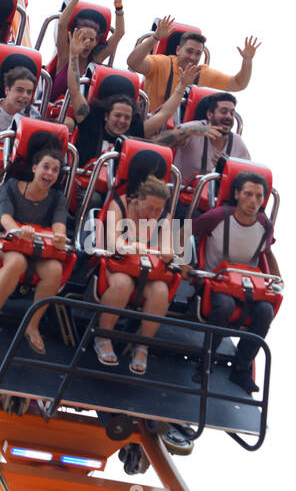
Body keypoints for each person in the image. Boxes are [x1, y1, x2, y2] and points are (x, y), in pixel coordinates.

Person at [0, 139, 69, 352]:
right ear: (34, 168)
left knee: (54, 269)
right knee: (17, 262)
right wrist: (18, 229)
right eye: (45, 167)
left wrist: (59, 236)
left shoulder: (57, 198)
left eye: (55, 170)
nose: (49, 173)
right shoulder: (11, 188)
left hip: (40, 248)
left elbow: (59, 225)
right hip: (10, 244)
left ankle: (32, 326)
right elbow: (5, 218)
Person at [191, 171, 281, 392]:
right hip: (216, 281)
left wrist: (277, 277)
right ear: (237, 194)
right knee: (225, 306)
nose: (254, 201)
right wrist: (185, 266)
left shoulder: (265, 225)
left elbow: (266, 253)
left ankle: (241, 368)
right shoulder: (218, 216)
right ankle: (206, 361)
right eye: (248, 194)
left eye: (259, 196)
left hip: (247, 283)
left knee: (265, 312)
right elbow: (182, 233)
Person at [65, 34, 198, 166]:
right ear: (106, 116)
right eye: (118, 115)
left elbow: (164, 114)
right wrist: (73, 55)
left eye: (127, 117)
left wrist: (182, 86)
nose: (122, 121)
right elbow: (75, 91)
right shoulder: (90, 123)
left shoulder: (135, 132)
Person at [93, 172, 177, 376]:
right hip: (119, 262)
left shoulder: (163, 217)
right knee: (122, 284)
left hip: (147, 269)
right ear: (138, 199)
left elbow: (169, 249)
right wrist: (129, 246)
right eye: (149, 207)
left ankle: (142, 346)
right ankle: (103, 336)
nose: (153, 213)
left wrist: (167, 253)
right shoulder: (120, 205)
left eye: (158, 209)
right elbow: (113, 241)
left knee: (160, 291)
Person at [126, 15, 260, 113]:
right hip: (151, 127)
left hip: (183, 136)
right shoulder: (162, 63)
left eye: (197, 54)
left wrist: (247, 61)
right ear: (178, 50)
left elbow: (239, 84)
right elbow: (133, 63)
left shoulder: (204, 73)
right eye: (189, 51)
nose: (193, 57)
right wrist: (155, 38)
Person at [49, 0, 126, 101]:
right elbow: (62, 24)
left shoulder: (95, 59)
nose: (87, 43)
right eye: (83, 38)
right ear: (74, 37)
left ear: (97, 43)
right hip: (53, 112)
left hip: (78, 117)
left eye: (91, 40)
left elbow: (119, 34)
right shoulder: (65, 55)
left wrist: (118, 5)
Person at [162, 92, 250, 183]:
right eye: (224, 111)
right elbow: (158, 144)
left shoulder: (237, 141)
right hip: (180, 193)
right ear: (209, 115)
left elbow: (250, 177)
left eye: (232, 113)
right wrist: (189, 132)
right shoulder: (193, 129)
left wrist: (229, 168)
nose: (228, 116)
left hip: (215, 196)